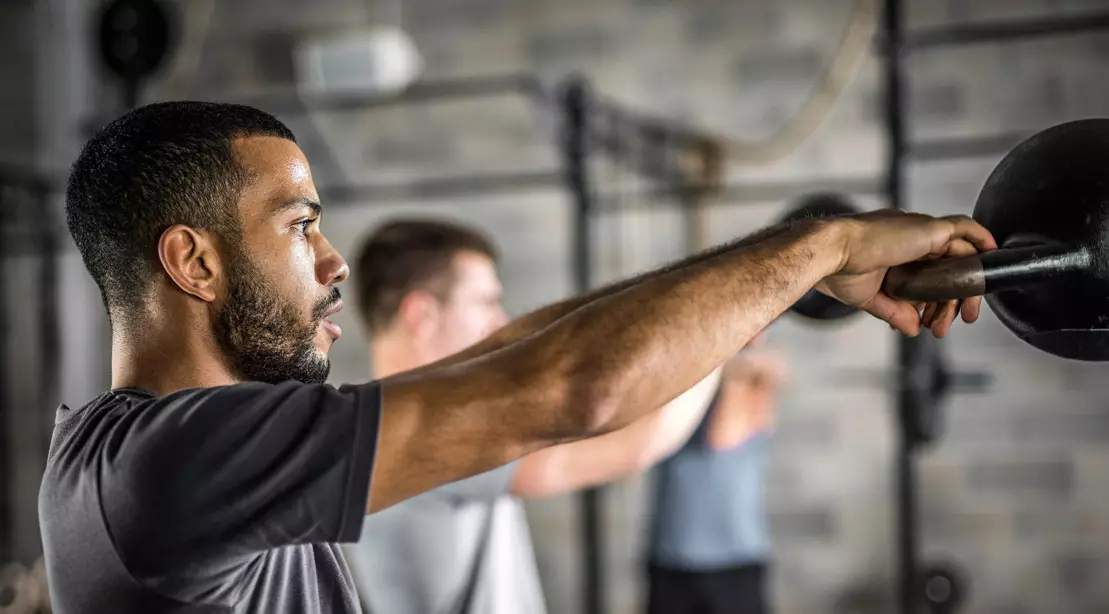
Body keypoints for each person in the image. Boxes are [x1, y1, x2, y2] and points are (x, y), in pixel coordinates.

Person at [38, 100, 994, 614]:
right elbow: (574, 388)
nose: (333, 261)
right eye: (299, 227)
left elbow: (513, 349)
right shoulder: (177, 460)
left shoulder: (158, 448)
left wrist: (785, 271)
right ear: (193, 261)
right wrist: (819, 245)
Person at [340, 219, 723, 614]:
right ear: (421, 315)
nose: (500, 322)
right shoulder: (412, 430)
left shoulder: (381, 418)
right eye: (486, 302)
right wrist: (720, 335)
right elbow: (637, 443)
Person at [645, 332, 787, 614]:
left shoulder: (754, 380)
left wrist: (730, 361)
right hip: (671, 555)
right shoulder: (673, 385)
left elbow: (720, 438)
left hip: (733, 560)